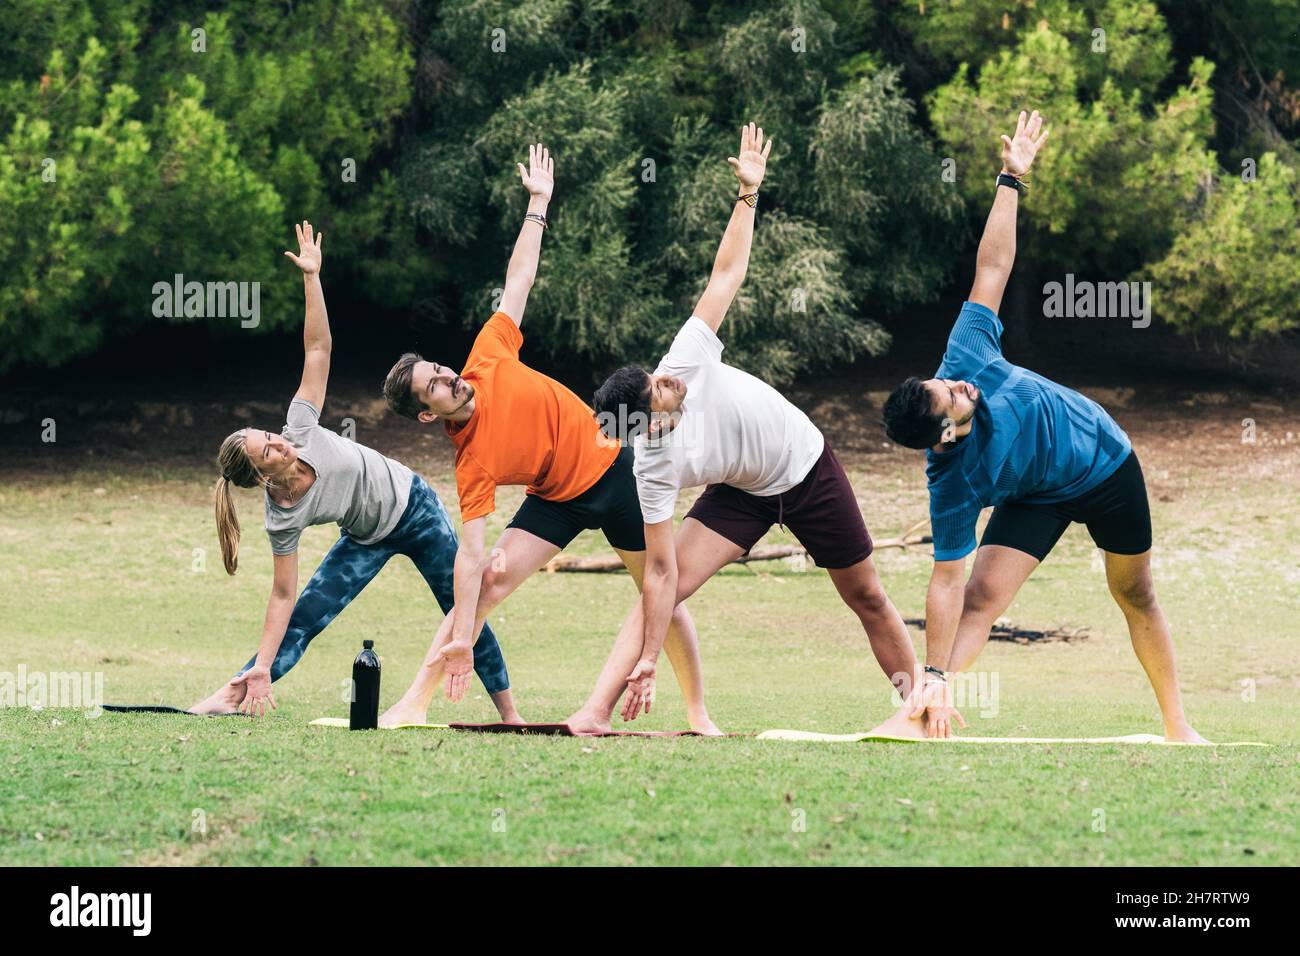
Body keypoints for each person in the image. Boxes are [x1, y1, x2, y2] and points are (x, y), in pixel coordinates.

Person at [570, 123, 920, 733]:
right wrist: (649, 658)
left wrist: (749, 193)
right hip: (741, 495)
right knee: (663, 590)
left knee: (865, 595)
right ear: (646, 426)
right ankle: (596, 710)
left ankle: (919, 707)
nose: (668, 382)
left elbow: (726, 274)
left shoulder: (684, 358)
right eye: (659, 392)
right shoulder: (653, 468)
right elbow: (660, 574)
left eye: (658, 378)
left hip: (804, 465)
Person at [879, 110, 1205, 742]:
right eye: (950, 398)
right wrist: (934, 671)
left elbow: (992, 269)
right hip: (1037, 495)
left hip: (1103, 463)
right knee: (981, 597)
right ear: (942, 436)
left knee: (1134, 593)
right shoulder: (952, 481)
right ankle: (923, 707)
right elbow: (946, 579)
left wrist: (1011, 180)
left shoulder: (965, 354)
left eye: (945, 383)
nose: (958, 386)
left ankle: (1178, 726)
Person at [381, 144, 718, 734]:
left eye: (439, 369)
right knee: (489, 581)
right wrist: (463, 636)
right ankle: (415, 700)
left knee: (660, 594)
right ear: (429, 416)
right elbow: (471, 555)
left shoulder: (488, 353)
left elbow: (519, 279)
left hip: (615, 473)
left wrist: (538, 204)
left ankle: (697, 713)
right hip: (556, 501)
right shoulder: (472, 462)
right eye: (433, 386)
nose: (447, 377)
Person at [190, 220, 518, 721]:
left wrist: (312, 278)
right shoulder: (282, 516)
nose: (279, 441)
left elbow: (317, 349)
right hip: (365, 539)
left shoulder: (300, 425)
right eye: (268, 451)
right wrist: (262, 664)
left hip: (416, 510)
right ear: (262, 476)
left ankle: (510, 714)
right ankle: (234, 692)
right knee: (305, 618)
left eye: (268, 434)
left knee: (462, 608)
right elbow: (283, 595)